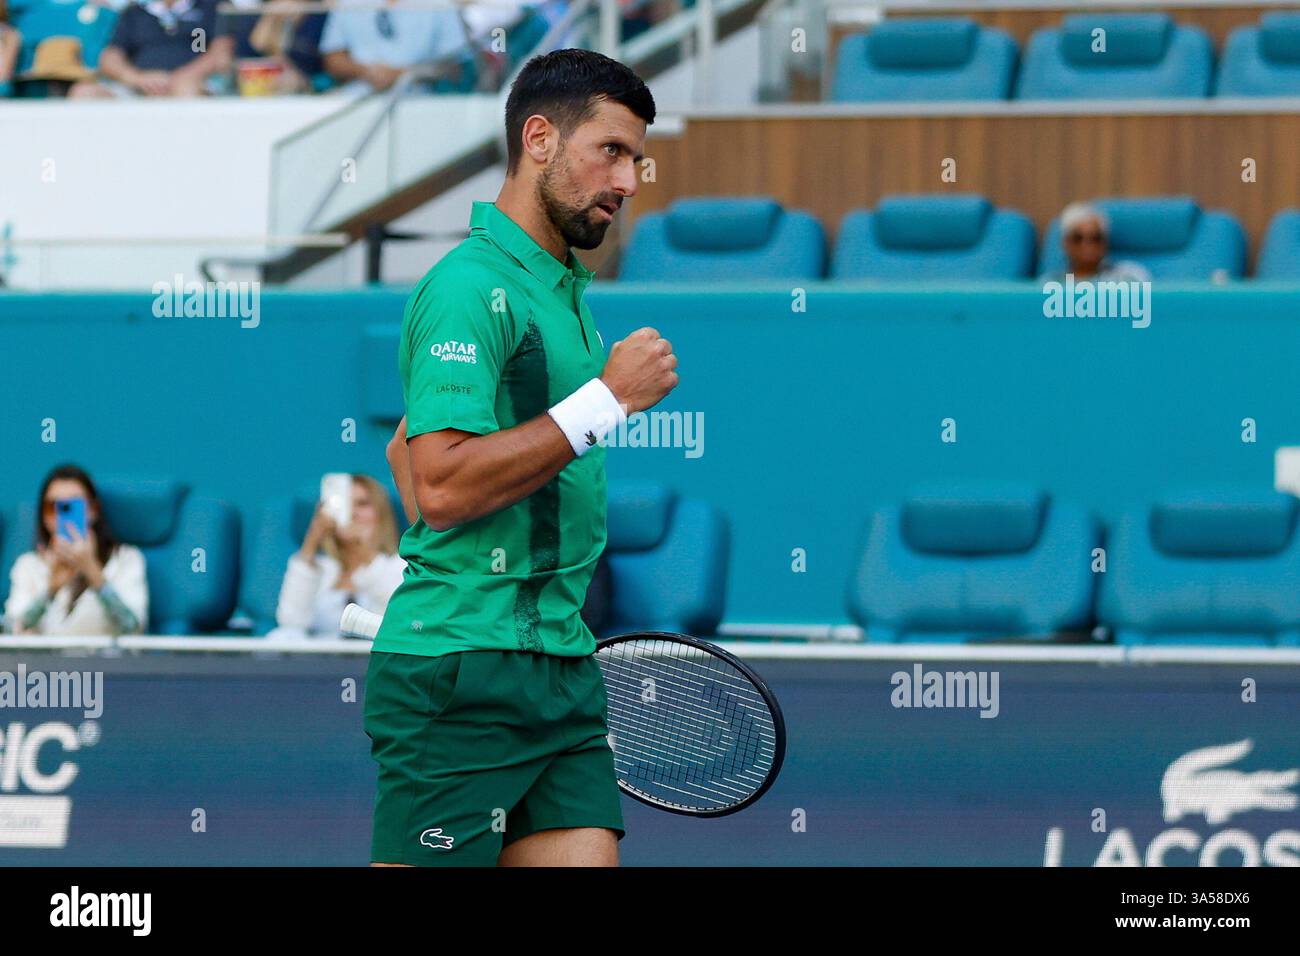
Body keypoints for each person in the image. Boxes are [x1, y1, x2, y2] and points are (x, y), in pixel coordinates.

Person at [368, 48, 671, 867]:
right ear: (538, 139)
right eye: (610, 150)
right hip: (464, 673)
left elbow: (405, 449)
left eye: (638, 158)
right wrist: (606, 401)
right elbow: (439, 482)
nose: (630, 180)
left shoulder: (564, 294)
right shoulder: (470, 285)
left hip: (560, 668)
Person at [4, 464, 148, 636]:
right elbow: (11, 632)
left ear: (93, 510)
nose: (62, 516)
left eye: (73, 506)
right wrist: (50, 590)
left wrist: (94, 573)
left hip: (104, 662)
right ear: (43, 516)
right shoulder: (28, 566)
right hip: (43, 663)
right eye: (53, 507)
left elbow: (134, 629)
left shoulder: (126, 559)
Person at [271, 474, 406, 638]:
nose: (353, 513)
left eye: (362, 504)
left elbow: (402, 615)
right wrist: (313, 539)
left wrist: (363, 550)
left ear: (381, 513)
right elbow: (291, 621)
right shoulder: (323, 568)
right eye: (345, 505)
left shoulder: (399, 565)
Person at [69, 0, 234, 99]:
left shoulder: (210, 6)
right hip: (138, 87)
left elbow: (221, 52)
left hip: (194, 84)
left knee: (185, 90)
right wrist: (137, 78)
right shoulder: (134, 12)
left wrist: (182, 77)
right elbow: (110, 57)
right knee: (84, 93)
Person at [319, 0, 468, 95]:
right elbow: (332, 58)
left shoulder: (441, 4)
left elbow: (454, 65)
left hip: (422, 101)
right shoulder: (348, 3)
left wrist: (402, 74)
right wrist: (366, 71)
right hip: (356, 98)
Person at [1043, 202, 1151, 283]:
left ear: (1105, 242)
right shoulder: (1050, 283)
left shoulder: (1129, 277)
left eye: (1096, 238)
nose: (1087, 244)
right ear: (1065, 243)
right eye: (1078, 238)